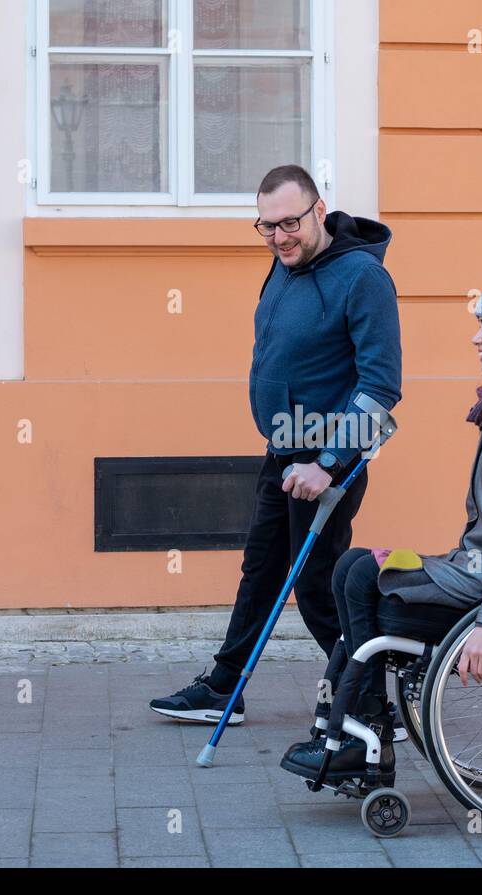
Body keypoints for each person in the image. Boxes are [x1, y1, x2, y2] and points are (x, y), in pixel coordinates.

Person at [280, 271, 482, 784]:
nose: (476, 337)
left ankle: (364, 739)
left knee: (363, 579)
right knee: (354, 566)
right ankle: (359, 730)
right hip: (479, 564)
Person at [149, 164, 402, 724]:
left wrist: (329, 463)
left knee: (317, 586)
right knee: (261, 569)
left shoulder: (363, 278)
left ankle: (376, 706)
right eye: (265, 226)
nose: (279, 236)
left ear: (319, 210)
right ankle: (223, 688)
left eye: (289, 222)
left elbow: (381, 388)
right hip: (282, 450)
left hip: (325, 462)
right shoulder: (283, 262)